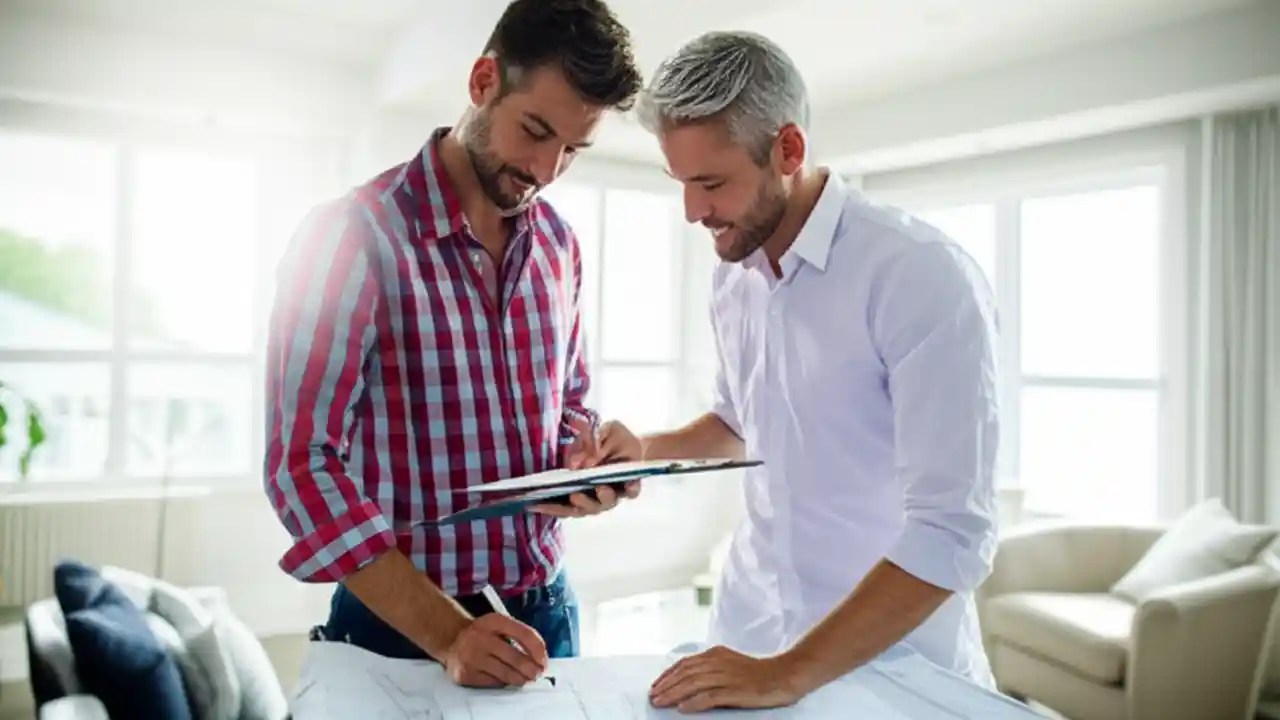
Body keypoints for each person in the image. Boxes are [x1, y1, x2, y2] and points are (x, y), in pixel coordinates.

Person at [596, 31, 1001, 712]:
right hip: (747, 638)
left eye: (712, 184)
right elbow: (738, 421)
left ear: (788, 149)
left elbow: (952, 532)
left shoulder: (918, 275)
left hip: (890, 674)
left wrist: (787, 673)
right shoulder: (735, 276)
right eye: (682, 184)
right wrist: (644, 452)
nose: (693, 212)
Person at [262, 0, 643, 690]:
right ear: (482, 80)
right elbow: (301, 465)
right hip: (400, 632)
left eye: (572, 150)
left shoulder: (559, 245)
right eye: (535, 131)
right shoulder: (351, 236)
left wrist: (587, 460)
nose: (546, 168)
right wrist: (447, 633)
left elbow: (568, 404)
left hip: (548, 615)